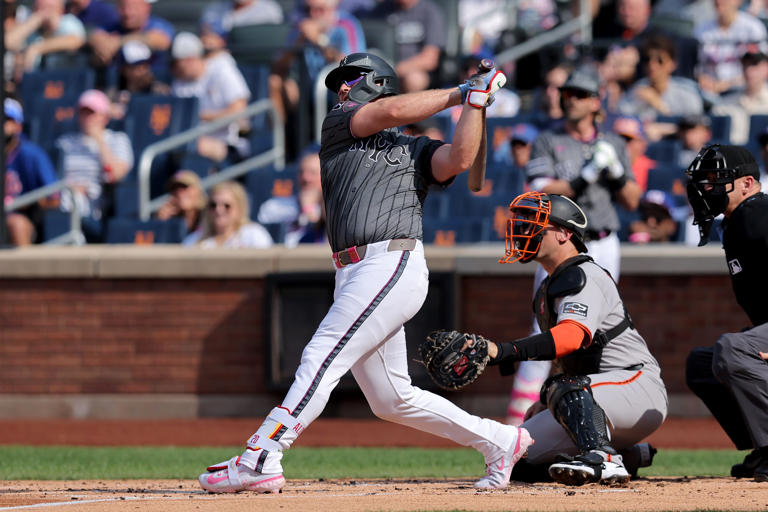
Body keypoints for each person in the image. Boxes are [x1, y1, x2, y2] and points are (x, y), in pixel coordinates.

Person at [197, 52, 532, 493]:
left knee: (321, 356)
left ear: (376, 80)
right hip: (354, 270)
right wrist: (463, 91)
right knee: (392, 399)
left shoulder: (414, 148)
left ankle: (262, 455)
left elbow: (461, 159)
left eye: (350, 78)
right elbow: (390, 111)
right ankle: (500, 440)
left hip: (390, 261)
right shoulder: (341, 125)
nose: (342, 87)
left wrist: (474, 104)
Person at [491, 191, 667, 484]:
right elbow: (566, 360)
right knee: (516, 462)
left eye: (535, 224)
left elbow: (570, 337)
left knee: (566, 387)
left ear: (563, 233)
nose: (524, 232)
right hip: (594, 393)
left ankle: (605, 458)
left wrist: (504, 351)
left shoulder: (584, 275)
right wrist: (546, 402)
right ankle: (629, 454)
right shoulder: (547, 289)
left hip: (636, 385)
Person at [508, 68, 642, 427]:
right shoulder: (548, 139)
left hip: (603, 242)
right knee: (547, 327)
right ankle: (517, 422)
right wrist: (584, 175)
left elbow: (632, 200)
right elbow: (539, 192)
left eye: (580, 94)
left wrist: (613, 172)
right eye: (567, 93)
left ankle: (589, 416)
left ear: (597, 101)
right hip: (557, 244)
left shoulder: (612, 142)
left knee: (596, 329)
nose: (571, 99)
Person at [684, 144, 768, 483]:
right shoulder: (740, 219)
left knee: (734, 350)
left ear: (746, 183)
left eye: (716, 180)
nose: (707, 189)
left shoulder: (756, 214)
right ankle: (763, 446)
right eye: (704, 181)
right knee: (702, 365)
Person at [55, 89, 133, 235]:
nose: (87, 118)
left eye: (92, 113)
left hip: (95, 201)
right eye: (83, 113)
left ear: (105, 117)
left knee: (74, 200)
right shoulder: (65, 142)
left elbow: (116, 174)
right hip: (65, 192)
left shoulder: (117, 139)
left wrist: (98, 139)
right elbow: (52, 175)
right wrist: (70, 187)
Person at [170, 32, 251, 163]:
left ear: (190, 59)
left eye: (176, 62)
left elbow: (240, 111)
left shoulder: (221, 69)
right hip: (189, 140)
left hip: (228, 142)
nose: (172, 68)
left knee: (192, 145)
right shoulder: (179, 82)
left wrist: (200, 116)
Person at [3, 98, 58, 246]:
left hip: (25, 219)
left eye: (6, 120)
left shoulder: (32, 155)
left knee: (15, 224)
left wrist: (26, 203)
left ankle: (24, 269)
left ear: (18, 126)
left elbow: (54, 198)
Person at [617, 33, 703, 122]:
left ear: (672, 64)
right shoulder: (637, 90)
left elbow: (695, 127)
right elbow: (622, 120)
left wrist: (658, 104)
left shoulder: (686, 93)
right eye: (647, 59)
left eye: (659, 60)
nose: (652, 65)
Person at [366, 0, 446, 92]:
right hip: (384, 67)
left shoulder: (430, 11)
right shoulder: (382, 10)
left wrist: (395, 69)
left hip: (413, 70)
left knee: (414, 79)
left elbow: (430, 59)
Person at [693, 0, 768, 95]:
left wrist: (729, 84)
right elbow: (694, 67)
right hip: (707, 92)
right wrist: (702, 79)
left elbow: (760, 67)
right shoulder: (701, 30)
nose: (719, 2)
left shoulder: (753, 28)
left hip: (742, 91)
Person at [257, 145, 325, 247]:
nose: (305, 178)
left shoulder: (331, 209)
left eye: (313, 173)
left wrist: (308, 208)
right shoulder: (274, 206)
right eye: (301, 172)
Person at [5, 0, 86, 81]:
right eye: (42, 8)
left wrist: (37, 48)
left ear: (60, 9)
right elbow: (7, 42)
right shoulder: (27, 20)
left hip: (61, 83)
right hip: (31, 84)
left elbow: (77, 40)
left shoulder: (68, 22)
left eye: (50, 8)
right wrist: (34, 21)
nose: (46, 13)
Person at [182, 180, 273, 248]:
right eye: (213, 205)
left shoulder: (254, 235)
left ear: (239, 209)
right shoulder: (194, 240)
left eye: (226, 206)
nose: (219, 210)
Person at [87, 0, 175, 69]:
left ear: (147, 8)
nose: (127, 13)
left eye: (134, 7)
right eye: (123, 7)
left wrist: (118, 42)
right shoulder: (112, 26)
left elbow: (161, 40)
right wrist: (102, 47)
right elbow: (94, 36)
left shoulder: (158, 25)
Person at [712, 50, 768, 145]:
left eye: (755, 65)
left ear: (766, 68)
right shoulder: (725, 105)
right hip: (733, 156)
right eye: (745, 65)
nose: (749, 70)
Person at [106, 40, 171, 120]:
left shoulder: (161, 93)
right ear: (124, 70)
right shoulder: (112, 96)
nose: (144, 71)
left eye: (146, 65)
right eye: (138, 67)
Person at [199, 0, 284, 52]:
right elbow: (206, 35)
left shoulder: (270, 10)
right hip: (219, 62)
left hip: (254, 66)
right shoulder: (213, 9)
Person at [155, 170, 207, 235]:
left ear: (197, 190)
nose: (179, 193)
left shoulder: (211, 212)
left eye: (184, 187)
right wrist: (161, 223)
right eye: (174, 189)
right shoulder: (171, 219)